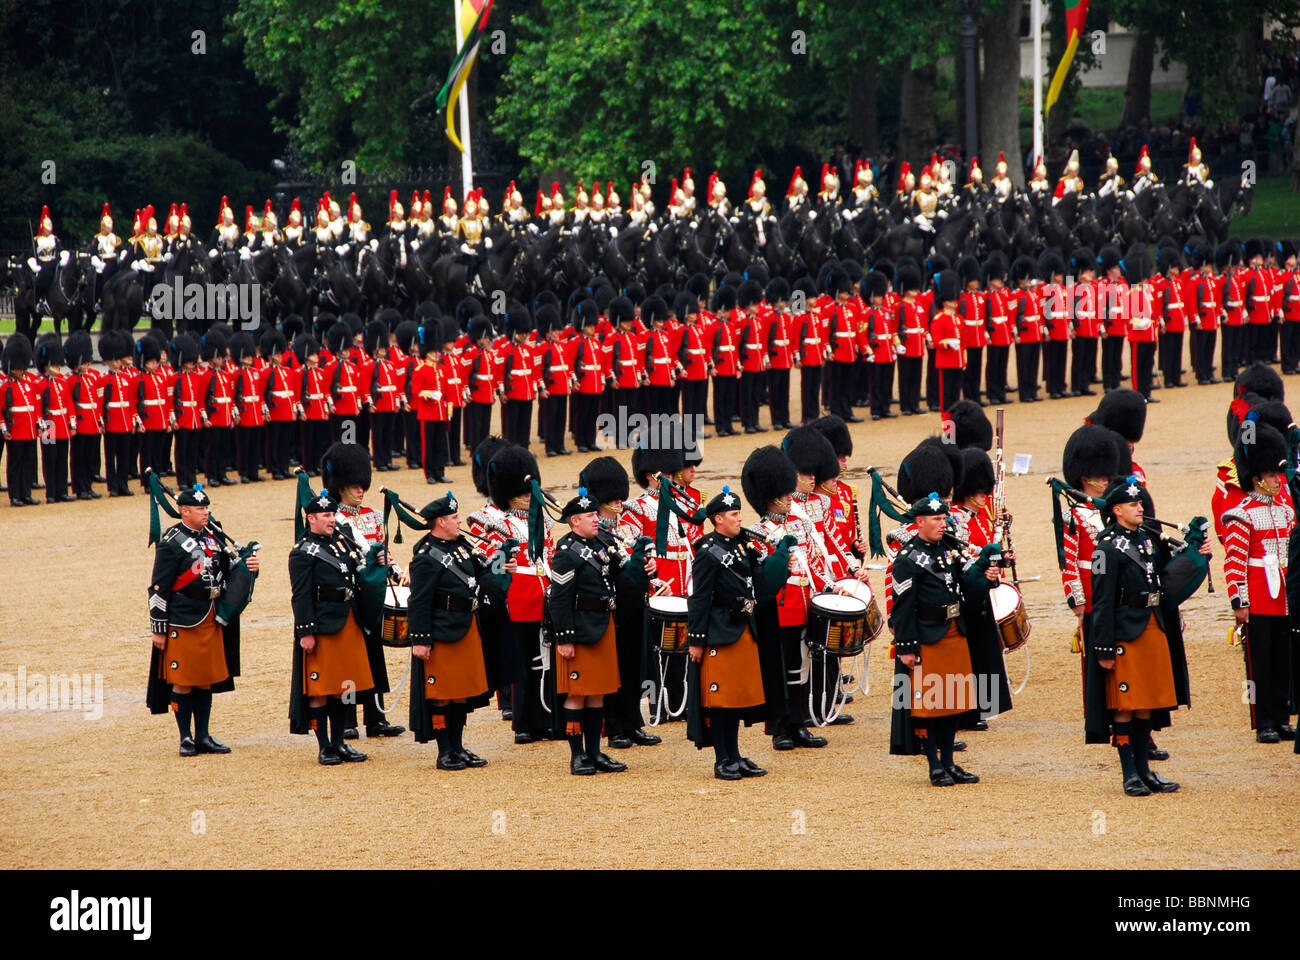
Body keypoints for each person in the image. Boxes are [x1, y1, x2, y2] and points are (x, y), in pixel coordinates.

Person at [1087, 475, 1203, 795]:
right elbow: (1102, 601)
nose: (1141, 507)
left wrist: (1196, 551)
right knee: (1125, 704)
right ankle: (1130, 775)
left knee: (1145, 704)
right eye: (1134, 504)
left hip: (1152, 626)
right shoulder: (1106, 548)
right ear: (1117, 509)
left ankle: (1146, 771)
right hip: (1125, 631)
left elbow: (1166, 579)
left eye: (1141, 502)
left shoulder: (1147, 539)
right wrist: (1104, 647)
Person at [888, 492, 1004, 786]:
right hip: (927, 635)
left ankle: (950, 763)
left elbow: (970, 586)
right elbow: (901, 607)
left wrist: (987, 574)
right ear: (920, 522)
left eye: (944, 518)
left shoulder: (951, 551)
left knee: (952, 700)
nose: (943, 523)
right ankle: (934, 765)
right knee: (929, 705)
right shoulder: (906, 559)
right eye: (937, 519)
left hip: (954, 631)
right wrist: (906, 646)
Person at [686, 485, 792, 779]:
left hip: (743, 628)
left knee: (734, 700)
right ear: (719, 519)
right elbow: (699, 597)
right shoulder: (708, 552)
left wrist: (781, 559)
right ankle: (723, 759)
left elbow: (760, 583)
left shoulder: (742, 546)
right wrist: (696, 639)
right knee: (720, 702)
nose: (739, 519)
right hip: (719, 631)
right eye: (734, 514)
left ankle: (734, 754)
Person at [147, 483, 260, 756]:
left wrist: (248, 567)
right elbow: (158, 587)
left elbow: (228, 569)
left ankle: (204, 735)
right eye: (200, 508)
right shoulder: (171, 542)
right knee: (183, 679)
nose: (206, 512)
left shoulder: (214, 536)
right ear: (185, 512)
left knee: (206, 678)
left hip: (211, 614)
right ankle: (186, 737)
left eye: (207, 507)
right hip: (184, 617)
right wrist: (158, 628)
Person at [549, 486, 655, 774]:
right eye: (590, 515)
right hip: (580, 630)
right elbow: (558, 599)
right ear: (574, 521)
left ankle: (595, 753)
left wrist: (642, 565)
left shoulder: (601, 546)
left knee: (597, 693)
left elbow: (625, 577)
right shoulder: (566, 552)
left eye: (596, 513)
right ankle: (577, 756)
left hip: (603, 625)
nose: (597, 519)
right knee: (577, 693)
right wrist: (564, 638)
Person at [407, 491, 514, 769]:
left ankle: (458, 746)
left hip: (466, 626)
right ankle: (445, 752)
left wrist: (504, 564)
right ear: (440, 521)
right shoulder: (425, 557)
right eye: (454, 517)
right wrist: (420, 639)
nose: (458, 521)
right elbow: (418, 601)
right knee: (443, 694)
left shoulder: (462, 547)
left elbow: (485, 574)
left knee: (461, 693)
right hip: (441, 631)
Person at [318, 441, 405, 741]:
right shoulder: (331, 518)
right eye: (354, 485)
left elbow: (381, 550)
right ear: (340, 486)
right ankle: (348, 719)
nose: (360, 490)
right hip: (350, 595)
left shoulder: (371, 515)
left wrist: (396, 572)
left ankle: (376, 717)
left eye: (361, 484)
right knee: (350, 660)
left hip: (373, 594)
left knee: (374, 656)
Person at [1221, 423, 1297, 743]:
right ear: (1256, 478)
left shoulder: (1286, 512)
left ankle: (1281, 717)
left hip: (1284, 601)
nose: (1277, 480)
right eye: (1271, 475)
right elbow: (1234, 562)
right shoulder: (1242, 514)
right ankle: (1261, 720)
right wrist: (1240, 601)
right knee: (1258, 665)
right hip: (1258, 599)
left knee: (1284, 661)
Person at [585, 456, 662, 750]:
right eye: (611, 499)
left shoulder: (626, 527)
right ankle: (613, 725)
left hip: (634, 604)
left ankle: (632, 722)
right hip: (612, 608)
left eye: (619, 498)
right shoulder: (595, 532)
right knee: (613, 670)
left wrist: (648, 568)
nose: (618, 503)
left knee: (633, 667)